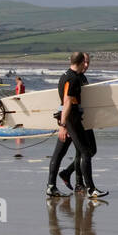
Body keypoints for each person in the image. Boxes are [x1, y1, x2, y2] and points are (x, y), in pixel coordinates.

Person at [47, 52, 107, 199]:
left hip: (69, 118)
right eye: (84, 63)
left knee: (59, 153)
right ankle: (91, 189)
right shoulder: (72, 79)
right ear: (80, 62)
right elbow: (67, 102)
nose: (86, 65)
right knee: (86, 152)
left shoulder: (65, 76)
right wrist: (63, 125)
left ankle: (51, 187)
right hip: (71, 119)